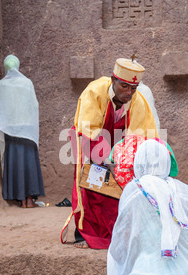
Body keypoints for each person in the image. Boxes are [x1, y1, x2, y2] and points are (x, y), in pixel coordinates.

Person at [61, 57, 159, 249]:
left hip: (118, 147)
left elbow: (141, 138)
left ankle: (113, 234)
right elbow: (89, 130)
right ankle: (84, 234)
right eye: (124, 86)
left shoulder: (138, 102)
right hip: (90, 140)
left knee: (117, 188)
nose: (128, 93)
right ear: (113, 80)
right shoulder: (95, 91)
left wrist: (125, 163)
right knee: (90, 183)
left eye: (133, 88)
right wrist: (107, 160)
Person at [107, 139, 188, 275]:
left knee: (112, 258)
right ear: (166, 162)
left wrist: (129, 263)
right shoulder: (185, 191)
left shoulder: (134, 191)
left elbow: (120, 244)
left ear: (139, 163)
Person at [0, 54, 45, 208]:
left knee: (15, 163)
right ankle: (30, 200)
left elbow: (1, 107)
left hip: (11, 129)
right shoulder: (27, 83)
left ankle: (20, 200)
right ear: (17, 66)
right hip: (27, 129)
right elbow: (34, 105)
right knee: (28, 163)